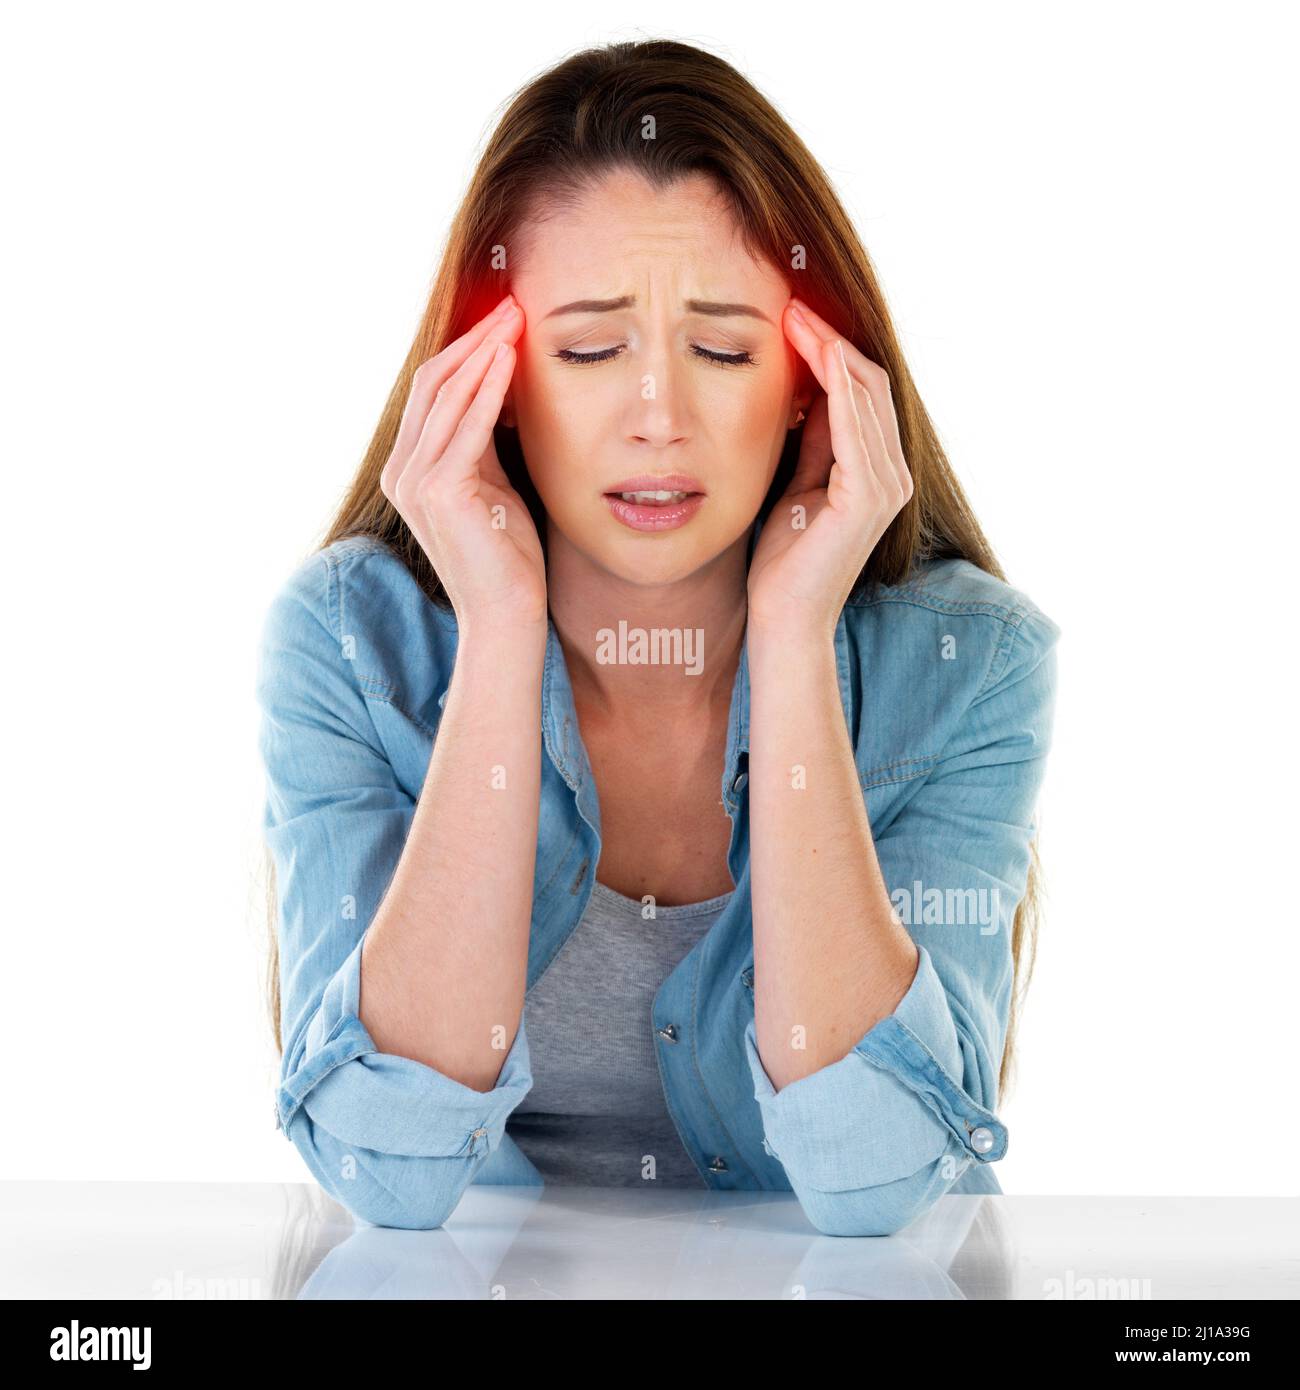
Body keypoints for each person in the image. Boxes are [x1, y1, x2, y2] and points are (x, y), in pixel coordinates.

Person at [255, 38, 1060, 1237]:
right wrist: (497, 624)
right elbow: (388, 1168)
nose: (657, 420)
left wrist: (791, 638)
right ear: (493, 381)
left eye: (725, 350)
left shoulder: (972, 668)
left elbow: (877, 1176)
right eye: (585, 351)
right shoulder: (347, 646)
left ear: (812, 382)